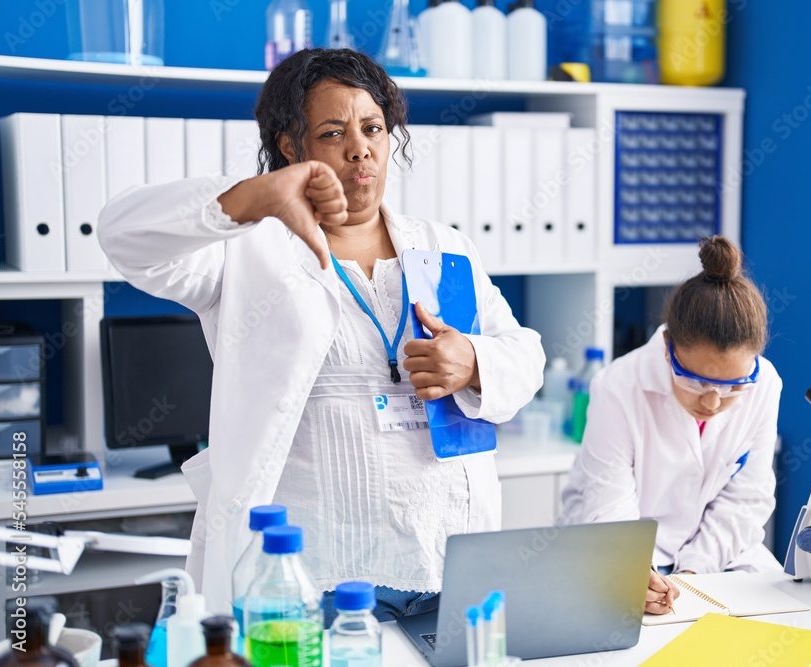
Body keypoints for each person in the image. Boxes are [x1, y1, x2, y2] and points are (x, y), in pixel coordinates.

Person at [98, 48, 544, 622]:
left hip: (447, 561)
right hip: (311, 577)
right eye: (333, 132)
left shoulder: (444, 245)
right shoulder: (248, 250)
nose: (360, 148)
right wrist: (252, 198)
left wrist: (473, 359)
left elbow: (524, 353)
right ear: (291, 146)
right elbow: (123, 236)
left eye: (374, 128)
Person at [559, 236, 782, 616]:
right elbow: (609, 504)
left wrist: (694, 571)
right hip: (618, 545)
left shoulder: (764, 384)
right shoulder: (617, 386)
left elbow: (746, 500)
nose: (712, 402)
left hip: (714, 553)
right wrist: (634, 572)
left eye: (732, 388)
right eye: (695, 382)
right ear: (667, 348)